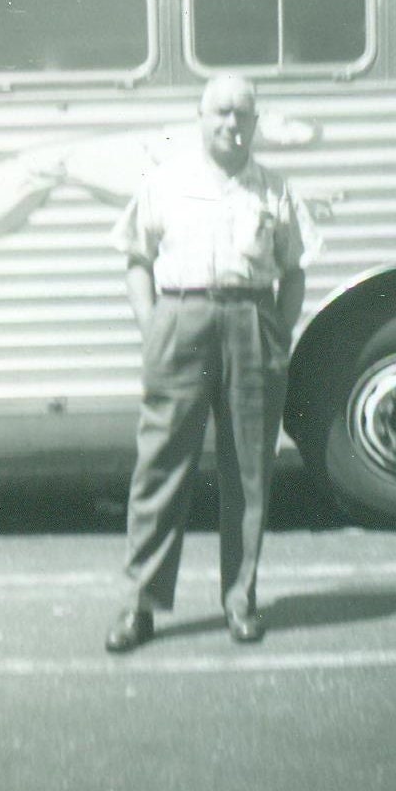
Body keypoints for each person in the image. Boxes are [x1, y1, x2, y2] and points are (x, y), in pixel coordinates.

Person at [105, 74, 310, 652]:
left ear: (255, 123)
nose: (232, 125)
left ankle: (240, 599)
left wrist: (279, 331)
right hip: (181, 322)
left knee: (249, 472)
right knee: (160, 466)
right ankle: (141, 605)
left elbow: (293, 270)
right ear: (199, 118)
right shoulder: (164, 184)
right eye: (220, 113)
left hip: (250, 323)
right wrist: (153, 329)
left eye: (243, 115)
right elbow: (136, 260)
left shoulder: (273, 190)